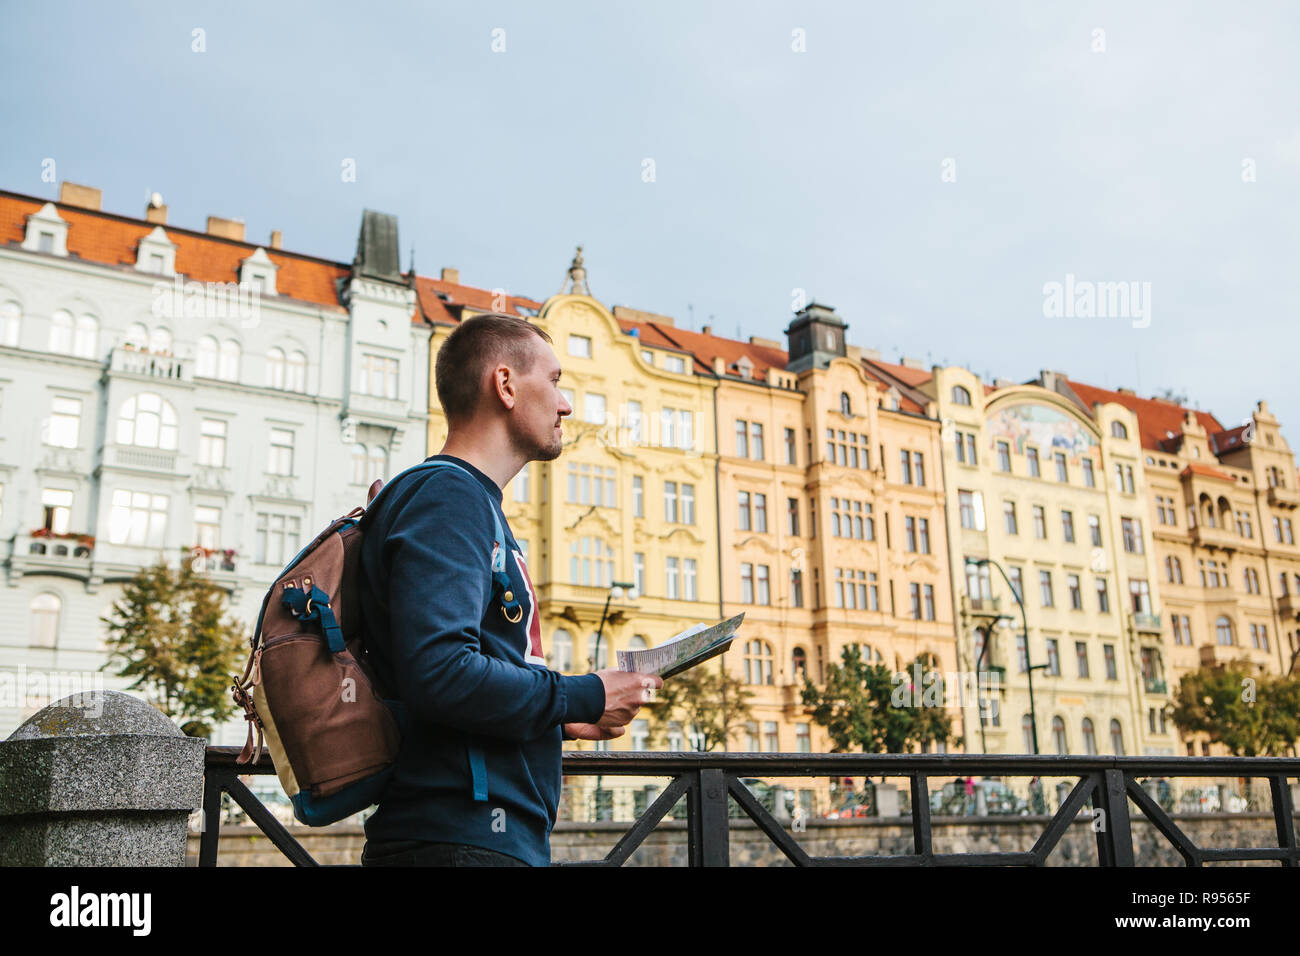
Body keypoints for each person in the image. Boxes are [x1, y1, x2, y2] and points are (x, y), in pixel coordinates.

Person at [357, 313, 661, 866]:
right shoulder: (449, 498)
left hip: (473, 836)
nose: (566, 404)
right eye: (555, 380)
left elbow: (467, 677)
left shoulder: (465, 500)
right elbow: (441, 674)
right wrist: (584, 693)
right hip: (460, 839)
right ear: (505, 386)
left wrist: (560, 718)